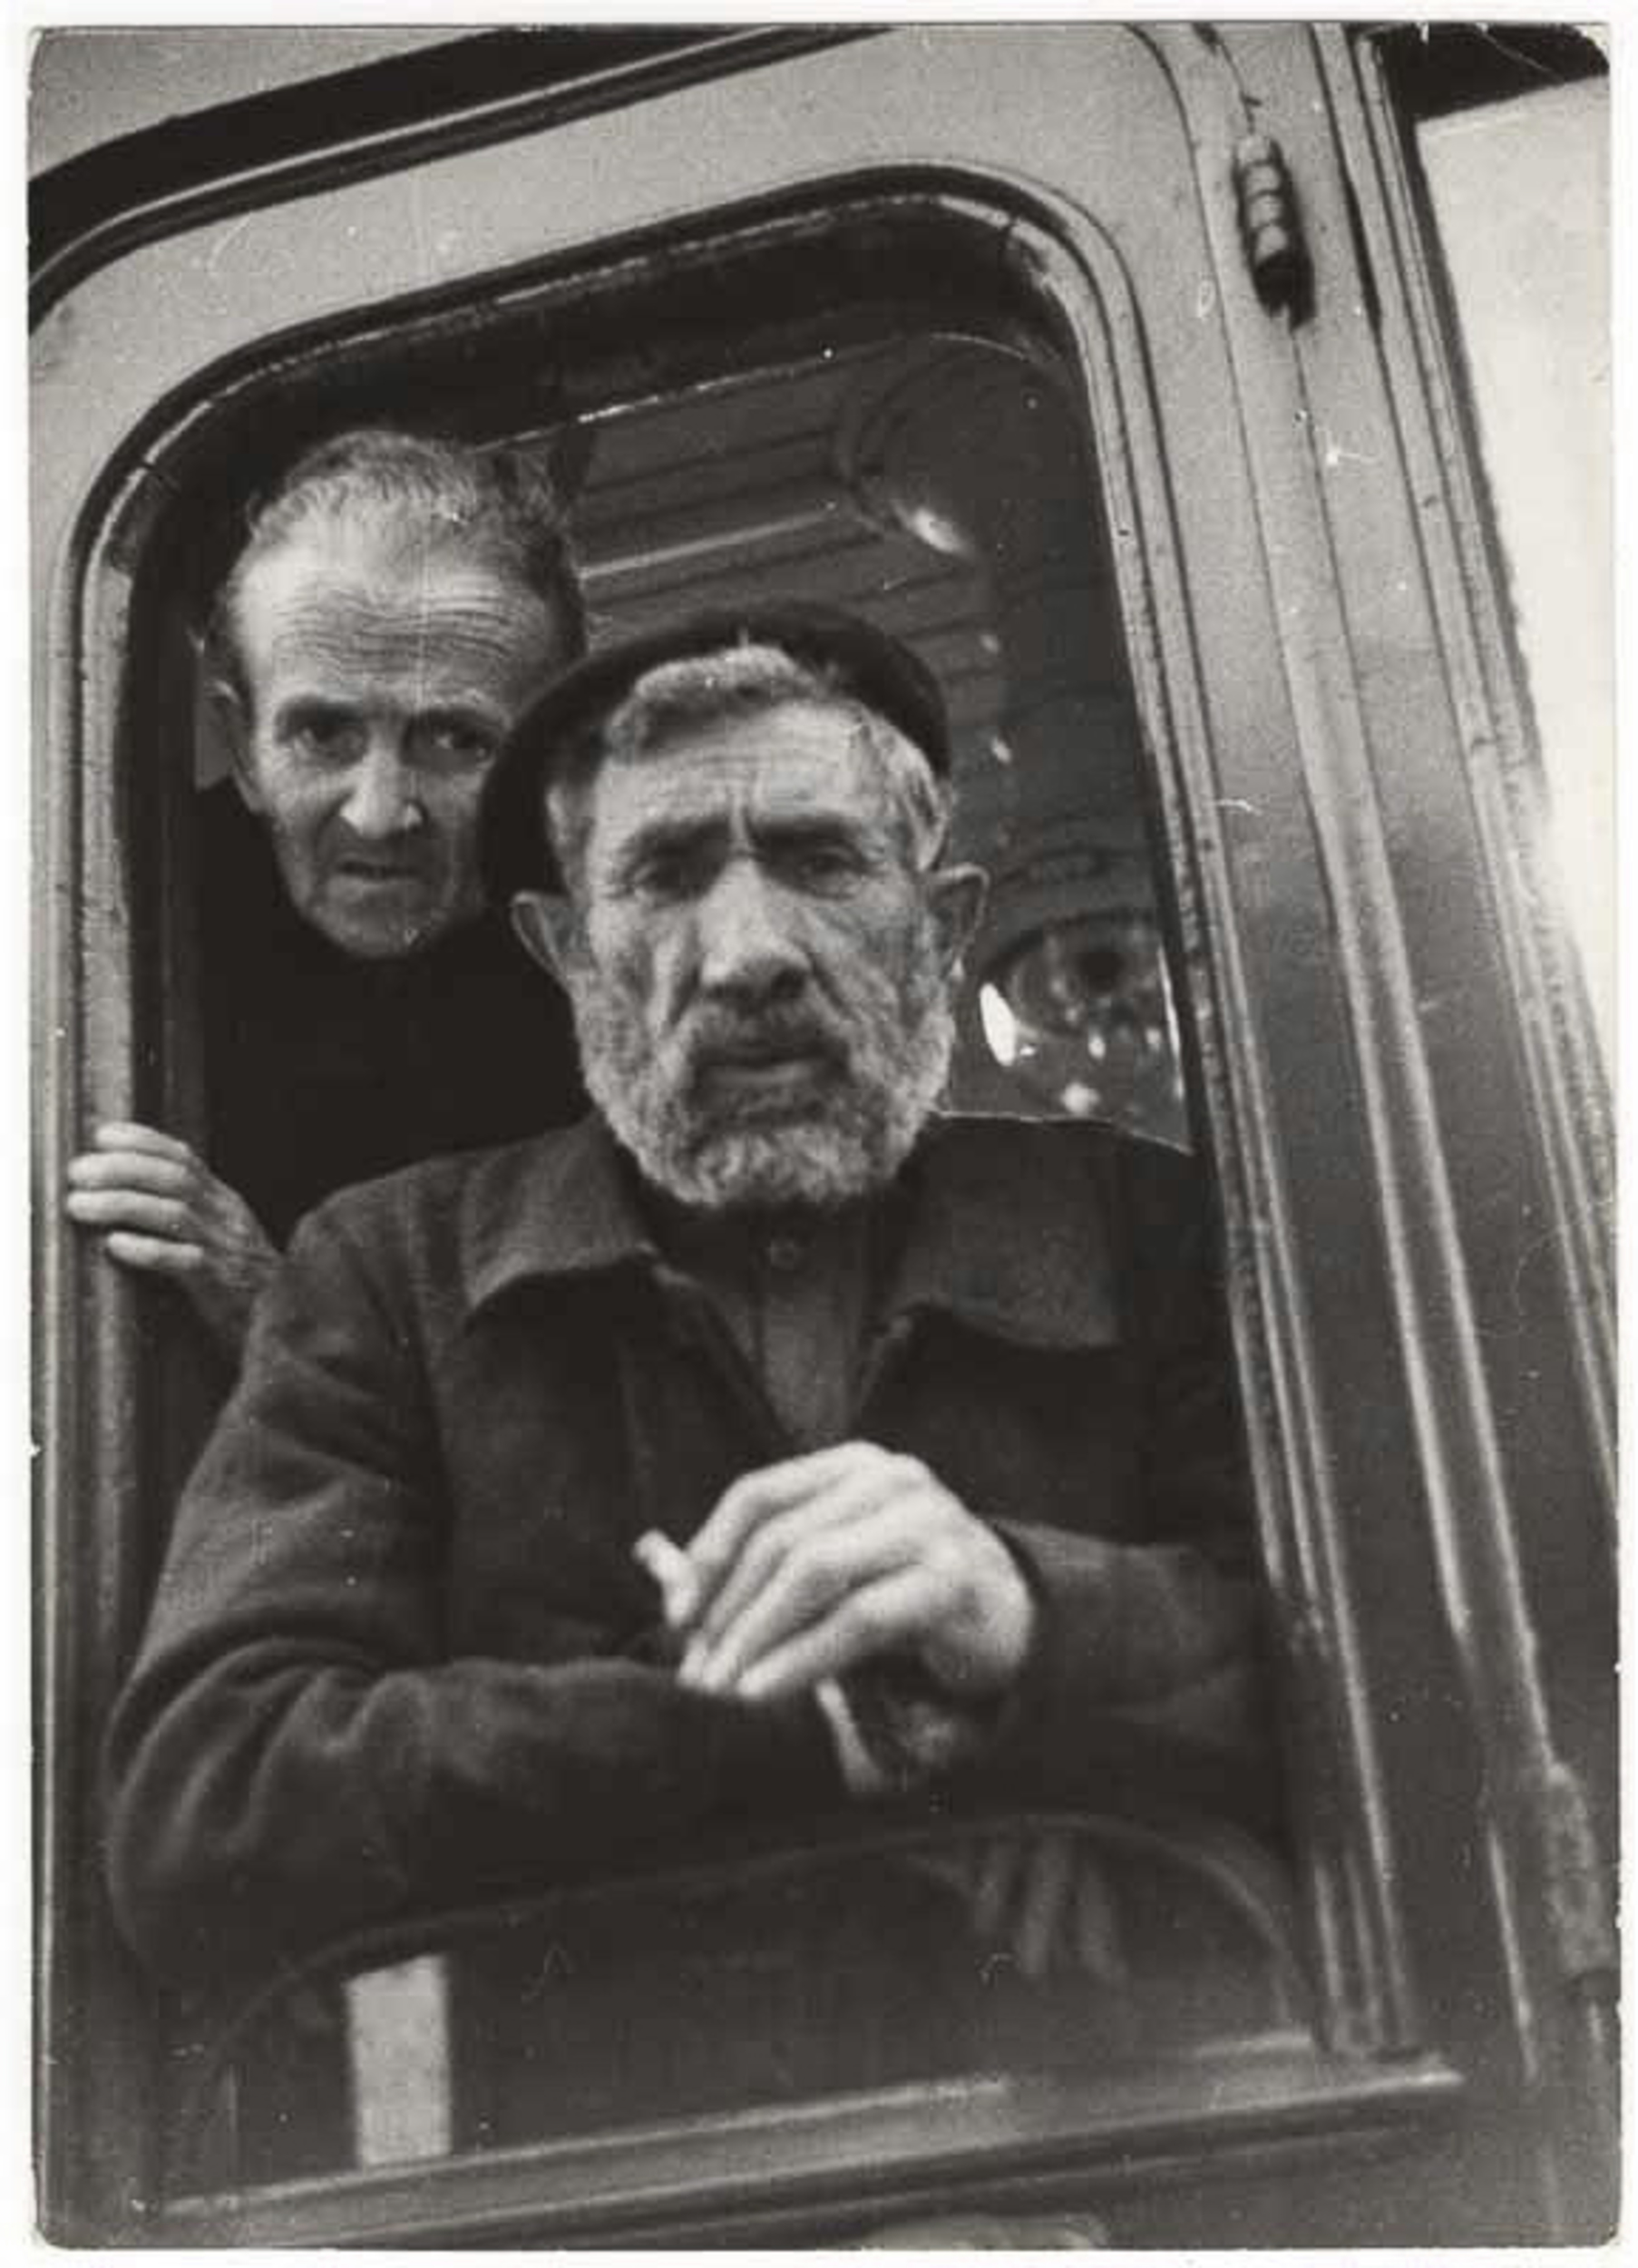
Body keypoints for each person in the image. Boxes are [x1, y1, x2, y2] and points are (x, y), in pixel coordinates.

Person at [106, 602, 1273, 1997]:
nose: (745, 955)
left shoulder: (1156, 1227)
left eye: (819, 860)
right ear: (562, 952)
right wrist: (778, 1727)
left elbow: (1403, 1674)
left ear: (942, 924)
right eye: (661, 875)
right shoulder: (385, 1275)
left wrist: (1024, 1612)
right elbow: (208, 1807)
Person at [64, 427, 588, 1357]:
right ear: (243, 748)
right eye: (323, 735)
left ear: (547, 760)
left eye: (457, 740)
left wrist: (276, 1302)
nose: (381, 814)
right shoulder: (100, 908)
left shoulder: (609, 986)